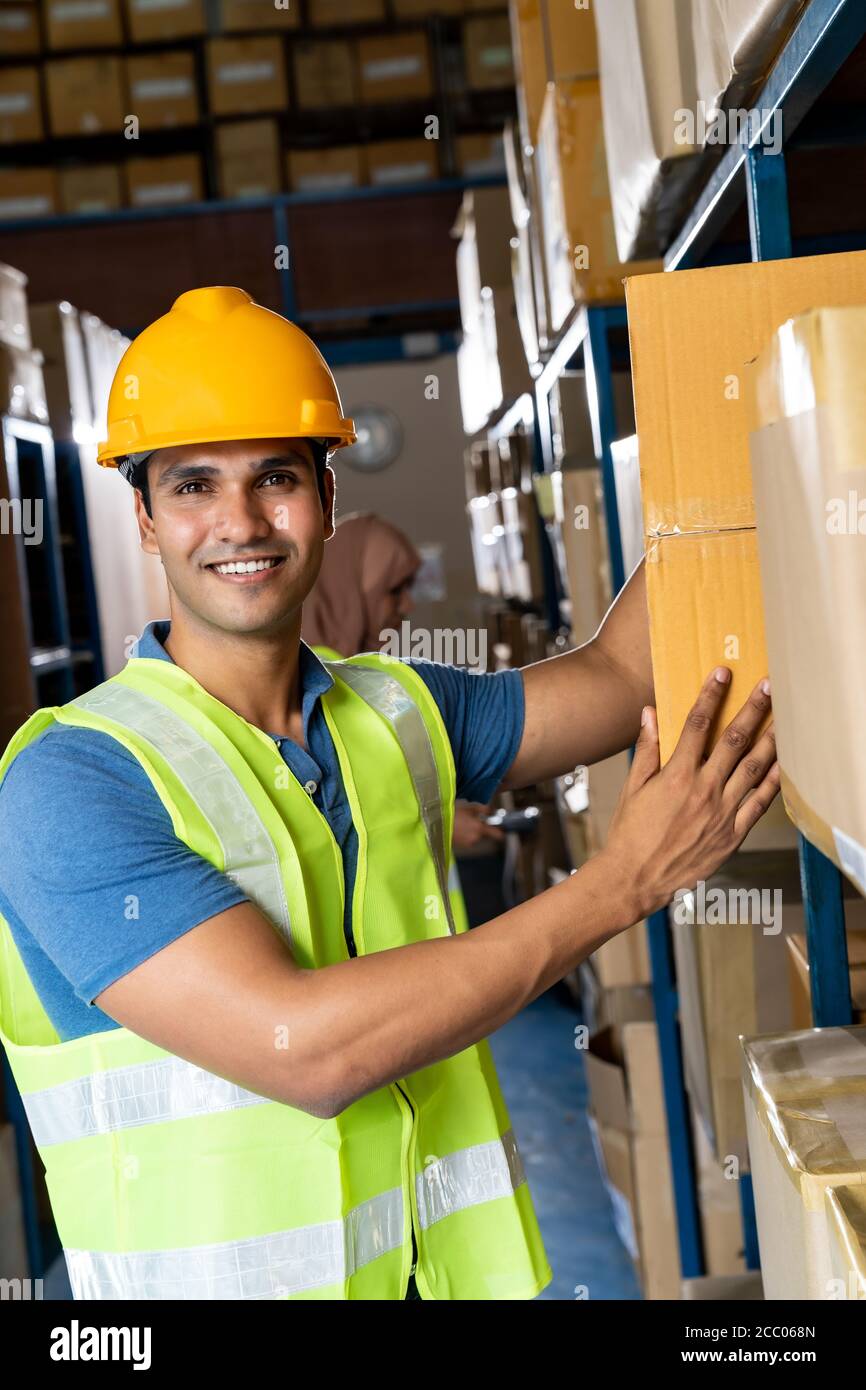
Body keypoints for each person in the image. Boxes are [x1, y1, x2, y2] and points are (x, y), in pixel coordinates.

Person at [0, 287, 780, 1302]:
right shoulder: (69, 779)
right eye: (193, 485)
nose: (239, 521)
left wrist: (748, 430)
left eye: (273, 477)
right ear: (145, 520)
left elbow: (623, 678)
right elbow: (302, 1049)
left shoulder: (395, 707)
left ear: (327, 497)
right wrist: (619, 882)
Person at [302, 510, 507, 900]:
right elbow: (339, 823)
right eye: (393, 590)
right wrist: (440, 827)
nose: (408, 606)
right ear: (352, 591)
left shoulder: (365, 674)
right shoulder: (325, 686)